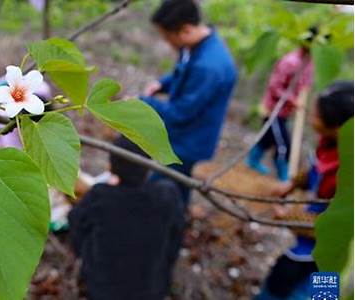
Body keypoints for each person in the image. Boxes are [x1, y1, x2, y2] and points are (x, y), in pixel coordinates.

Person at [255, 81, 353, 300]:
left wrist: (288, 216)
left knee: (315, 294)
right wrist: (293, 183)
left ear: (337, 127)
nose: (310, 119)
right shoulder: (332, 145)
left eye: (317, 117)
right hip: (313, 243)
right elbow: (317, 169)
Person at [140, 0, 237, 204]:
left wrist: (144, 103)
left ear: (184, 30)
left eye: (167, 37)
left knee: (159, 187)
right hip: (183, 136)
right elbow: (182, 73)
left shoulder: (209, 67)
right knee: (179, 188)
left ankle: (167, 227)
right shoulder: (195, 46)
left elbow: (180, 112)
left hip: (190, 141)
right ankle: (178, 221)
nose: (167, 42)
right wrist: (161, 84)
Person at [68, 136, 185, 300]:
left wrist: (87, 256)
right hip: (152, 288)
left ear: (111, 167)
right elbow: (176, 237)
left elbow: (75, 224)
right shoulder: (166, 196)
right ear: (149, 167)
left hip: (103, 289)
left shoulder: (100, 197)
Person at [246, 27, 318, 182]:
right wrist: (293, 100)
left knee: (268, 138)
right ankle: (284, 178)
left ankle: (252, 160)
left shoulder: (309, 64)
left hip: (285, 112)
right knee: (283, 146)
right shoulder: (290, 62)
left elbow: (305, 84)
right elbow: (274, 87)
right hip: (274, 110)